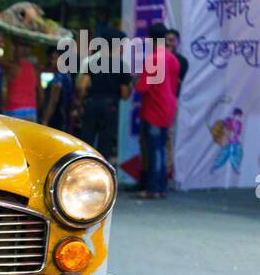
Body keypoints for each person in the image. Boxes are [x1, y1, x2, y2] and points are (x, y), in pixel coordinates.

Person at [135, 22, 182, 199]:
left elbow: (142, 87)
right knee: (161, 149)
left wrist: (136, 80)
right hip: (168, 107)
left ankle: (153, 188)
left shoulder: (154, 58)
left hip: (154, 108)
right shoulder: (173, 59)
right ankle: (161, 187)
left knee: (154, 150)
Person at [76, 24, 131, 163]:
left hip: (92, 105)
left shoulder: (92, 62)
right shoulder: (121, 65)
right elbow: (125, 94)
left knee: (86, 142)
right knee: (105, 145)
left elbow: (82, 87)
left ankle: (82, 170)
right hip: (110, 108)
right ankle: (101, 176)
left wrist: (82, 102)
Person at [2, 38, 40, 121]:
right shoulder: (35, 68)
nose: (12, 49)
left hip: (14, 111)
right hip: (31, 111)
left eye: (14, 46)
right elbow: (41, 94)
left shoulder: (13, 66)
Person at [166, 28, 189, 93]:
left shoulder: (183, 61)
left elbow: (177, 83)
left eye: (171, 40)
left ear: (178, 41)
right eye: (165, 40)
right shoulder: (158, 58)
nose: (167, 43)